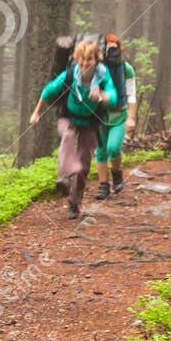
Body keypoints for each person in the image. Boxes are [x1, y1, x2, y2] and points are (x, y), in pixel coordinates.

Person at [29, 36, 117, 219]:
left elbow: (113, 95)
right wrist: (36, 112)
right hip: (68, 116)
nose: (85, 64)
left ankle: (74, 203)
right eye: (82, 60)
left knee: (84, 165)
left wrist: (102, 95)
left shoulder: (103, 74)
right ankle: (64, 176)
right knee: (68, 136)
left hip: (90, 121)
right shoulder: (70, 74)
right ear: (77, 59)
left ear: (96, 59)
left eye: (90, 60)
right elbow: (48, 90)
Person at [94, 34, 137, 198]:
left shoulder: (126, 69)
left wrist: (131, 117)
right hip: (99, 116)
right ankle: (103, 185)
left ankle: (117, 173)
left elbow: (131, 94)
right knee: (101, 150)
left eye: (114, 48)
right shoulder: (95, 68)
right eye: (107, 48)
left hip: (119, 115)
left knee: (113, 148)